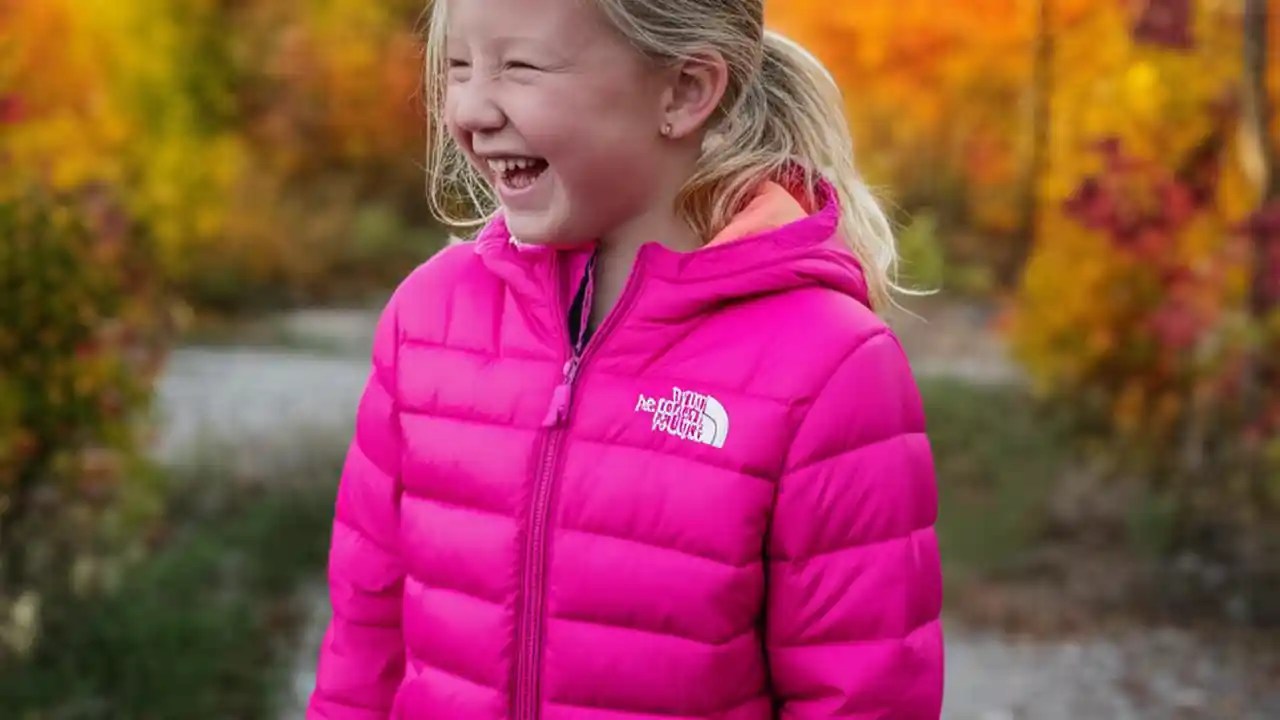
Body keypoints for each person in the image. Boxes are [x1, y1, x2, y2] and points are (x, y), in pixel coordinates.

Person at [306, 0, 944, 717]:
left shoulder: (829, 365)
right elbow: (363, 648)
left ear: (683, 92)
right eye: (459, 67)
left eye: (519, 67)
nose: (472, 110)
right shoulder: (429, 320)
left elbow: (864, 695)